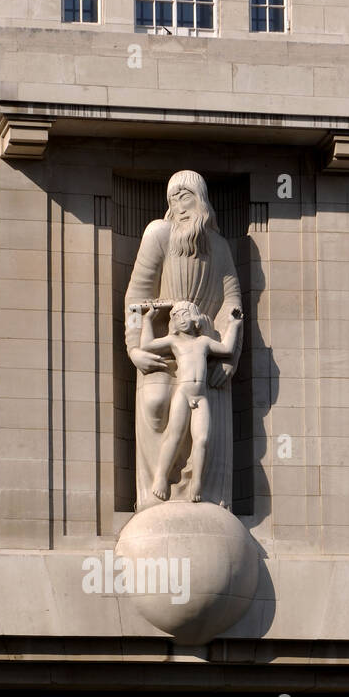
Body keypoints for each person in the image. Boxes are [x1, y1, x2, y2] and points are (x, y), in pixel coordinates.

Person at [124, 171, 243, 509]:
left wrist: (231, 359)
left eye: (185, 195)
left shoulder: (219, 247)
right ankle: (156, 492)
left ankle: (202, 493)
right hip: (164, 345)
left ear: (201, 198)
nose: (178, 205)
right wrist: (134, 347)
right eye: (172, 199)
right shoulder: (158, 234)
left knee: (203, 434)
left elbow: (232, 303)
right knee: (155, 404)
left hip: (206, 355)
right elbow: (136, 297)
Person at [134, 300, 243, 502]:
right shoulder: (174, 341)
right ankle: (160, 477)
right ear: (173, 322)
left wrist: (234, 324)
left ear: (195, 319)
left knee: (202, 440)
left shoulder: (203, 342)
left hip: (201, 395)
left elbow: (227, 349)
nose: (181, 319)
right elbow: (147, 345)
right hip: (184, 393)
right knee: (174, 436)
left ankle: (197, 482)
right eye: (176, 316)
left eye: (185, 314)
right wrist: (148, 319)